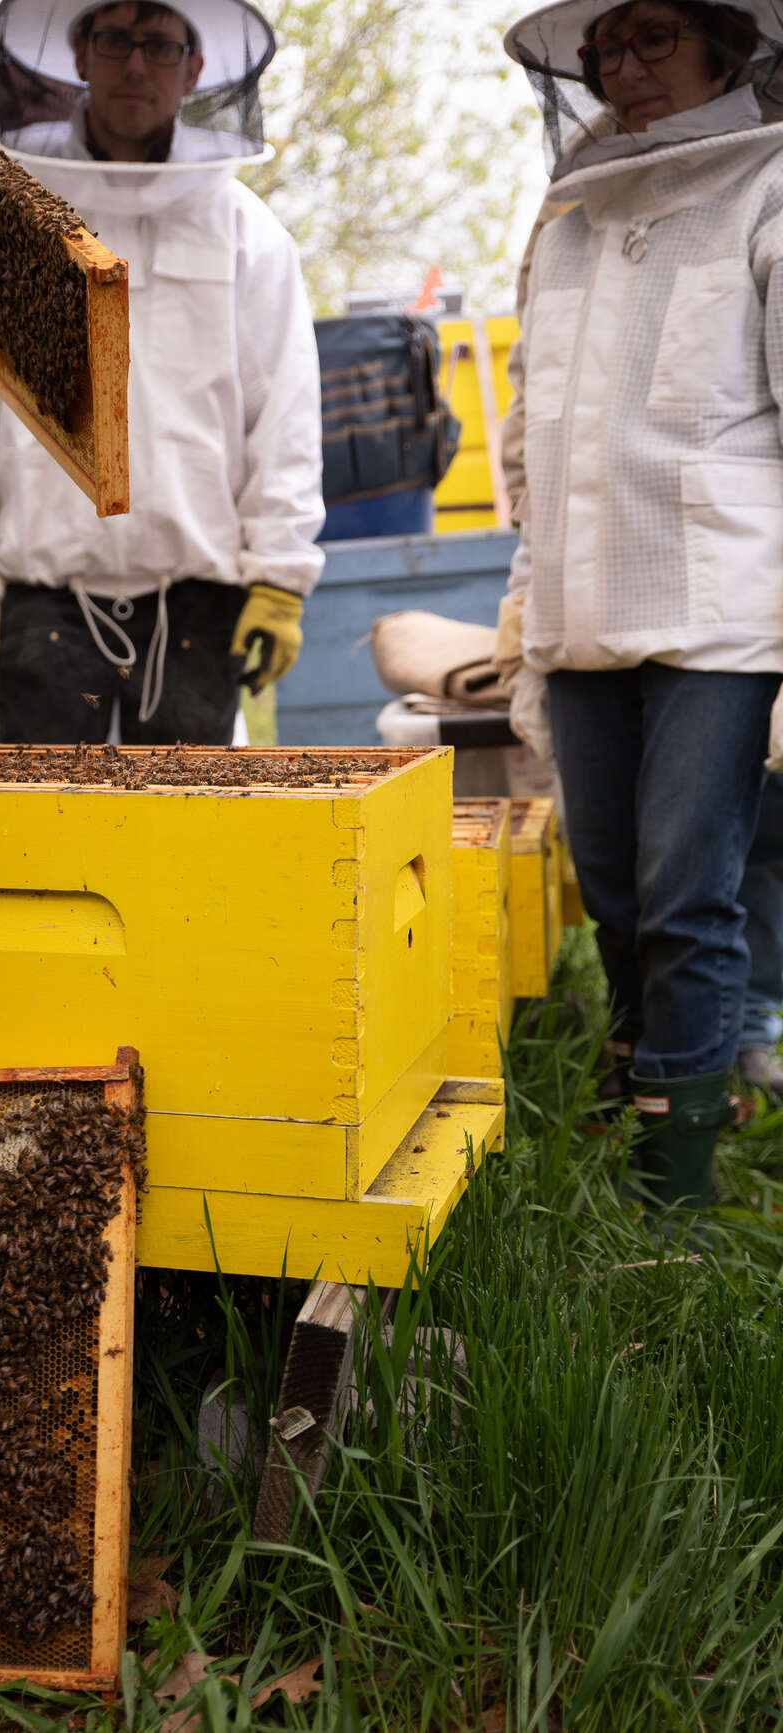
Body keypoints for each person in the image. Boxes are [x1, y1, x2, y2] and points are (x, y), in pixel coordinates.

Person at [499, 0, 783, 1209]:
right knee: (609, 890)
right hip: (581, 606)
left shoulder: (769, 188)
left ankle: (683, 1189)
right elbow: (529, 440)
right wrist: (525, 615)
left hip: (720, 604)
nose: (624, 64)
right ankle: (637, 1107)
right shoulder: (567, 214)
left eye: (655, 36)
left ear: (730, 45)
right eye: (607, 45)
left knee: (685, 891)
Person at [0, 0, 324, 745]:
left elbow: (284, 414)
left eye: (161, 45)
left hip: (199, 606)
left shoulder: (246, 232)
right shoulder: (7, 218)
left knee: (190, 855)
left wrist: (281, 576)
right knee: (47, 854)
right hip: (46, 604)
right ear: (78, 56)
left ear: (196, 68)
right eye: (115, 40)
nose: (136, 64)